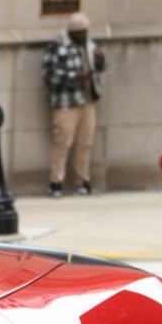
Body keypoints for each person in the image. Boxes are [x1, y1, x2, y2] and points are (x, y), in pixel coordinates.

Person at [42, 11, 106, 197]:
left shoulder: (90, 44)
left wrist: (100, 63)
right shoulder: (57, 46)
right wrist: (75, 77)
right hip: (65, 103)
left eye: (85, 32)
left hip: (87, 100)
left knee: (85, 143)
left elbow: (98, 69)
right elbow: (48, 74)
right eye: (79, 33)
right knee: (62, 143)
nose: (82, 36)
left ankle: (82, 182)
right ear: (71, 32)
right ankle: (56, 183)